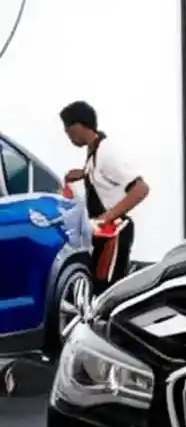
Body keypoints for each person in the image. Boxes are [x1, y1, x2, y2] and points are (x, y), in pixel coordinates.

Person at [60, 101, 150, 295]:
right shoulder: (94, 152)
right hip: (103, 233)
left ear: (78, 126)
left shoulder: (107, 153)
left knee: (107, 291)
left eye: (68, 129)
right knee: (96, 287)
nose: (67, 135)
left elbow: (141, 189)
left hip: (115, 231)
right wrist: (82, 174)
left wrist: (106, 218)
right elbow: (104, 178)